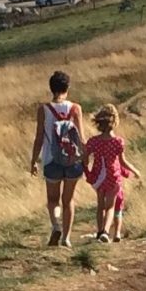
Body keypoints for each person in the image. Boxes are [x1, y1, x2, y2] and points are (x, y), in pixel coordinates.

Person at [29, 70, 86, 246]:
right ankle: (66, 239)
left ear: (51, 88)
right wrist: (85, 158)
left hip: (51, 160)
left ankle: (55, 225)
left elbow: (39, 137)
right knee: (68, 200)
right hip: (72, 160)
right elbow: (82, 138)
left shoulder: (43, 109)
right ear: (67, 88)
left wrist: (33, 161)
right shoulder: (76, 108)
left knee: (53, 200)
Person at [84, 103, 141, 242]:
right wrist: (134, 170)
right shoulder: (118, 142)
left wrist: (86, 167)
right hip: (113, 176)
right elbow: (122, 162)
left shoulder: (93, 141)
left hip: (98, 176)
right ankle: (105, 231)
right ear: (114, 122)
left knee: (100, 206)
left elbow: (85, 156)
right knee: (110, 206)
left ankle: (99, 231)